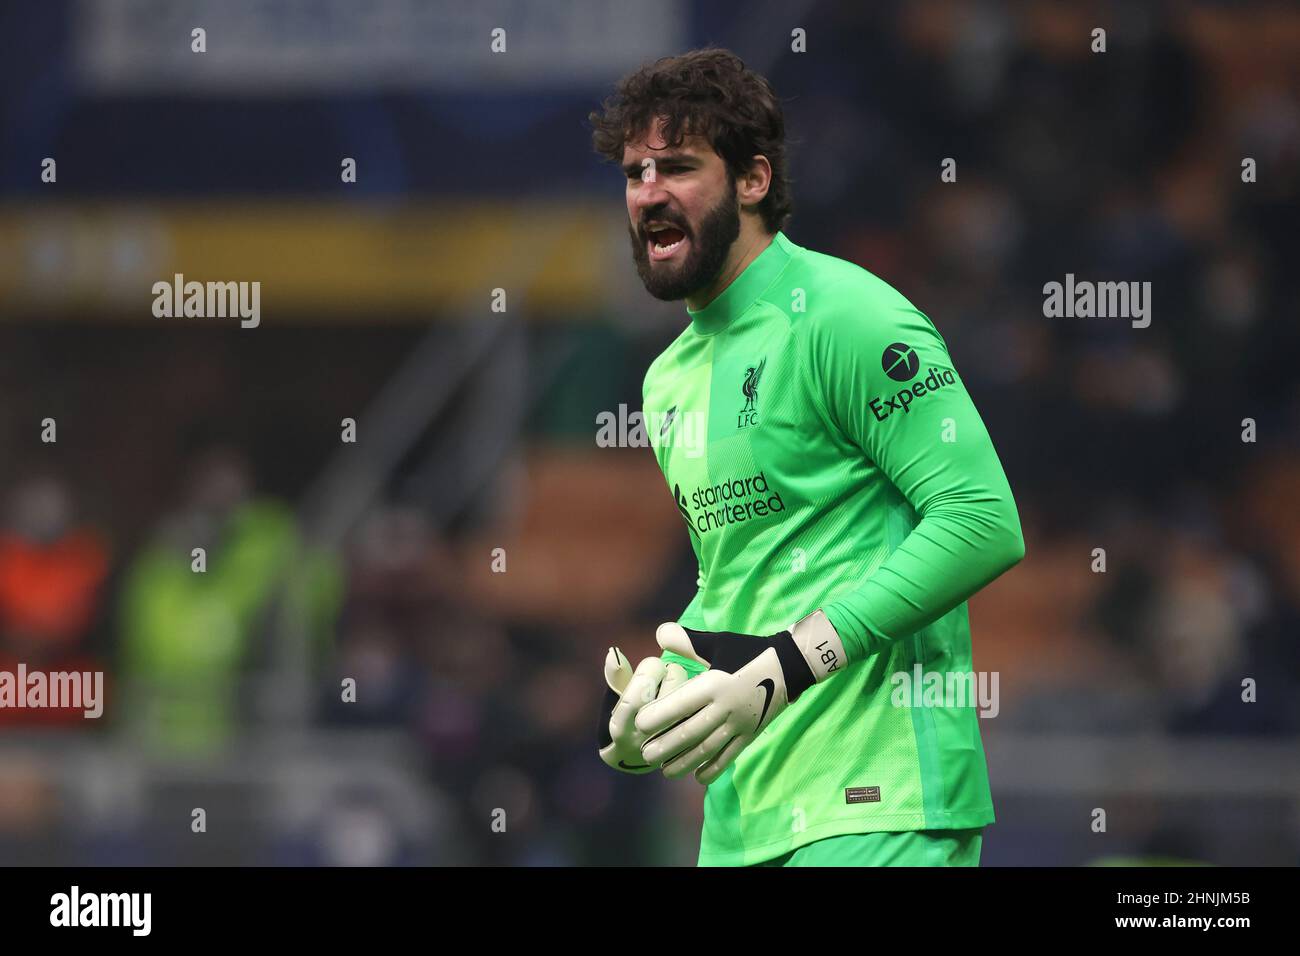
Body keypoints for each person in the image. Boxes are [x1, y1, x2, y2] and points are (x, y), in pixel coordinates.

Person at [590, 48, 1024, 867]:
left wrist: (787, 667)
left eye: (678, 167)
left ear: (753, 180)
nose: (649, 193)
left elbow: (982, 522)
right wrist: (672, 696)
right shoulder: (666, 380)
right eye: (634, 172)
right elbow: (752, 579)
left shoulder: (847, 315)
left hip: (881, 806)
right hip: (744, 822)